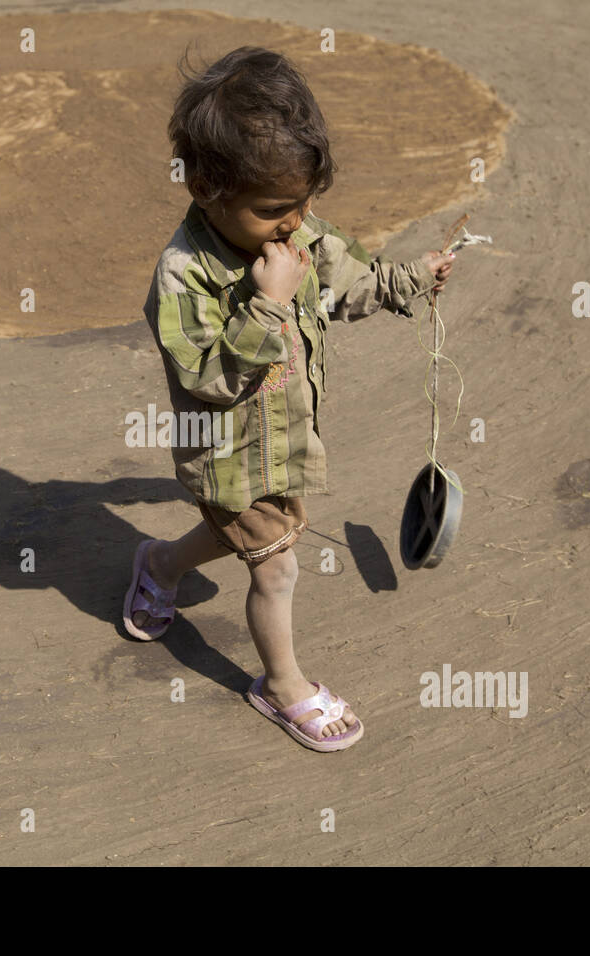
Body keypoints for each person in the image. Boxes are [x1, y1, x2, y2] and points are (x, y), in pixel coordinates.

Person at [125, 45, 454, 752]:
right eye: (276, 208)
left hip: (286, 439)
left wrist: (411, 280)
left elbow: (348, 280)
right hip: (229, 455)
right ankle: (281, 686)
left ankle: (157, 565)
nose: (295, 224)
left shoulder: (295, 228)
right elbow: (204, 380)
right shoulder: (184, 275)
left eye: (306, 203)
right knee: (276, 564)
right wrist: (267, 306)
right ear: (207, 186)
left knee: (237, 538)